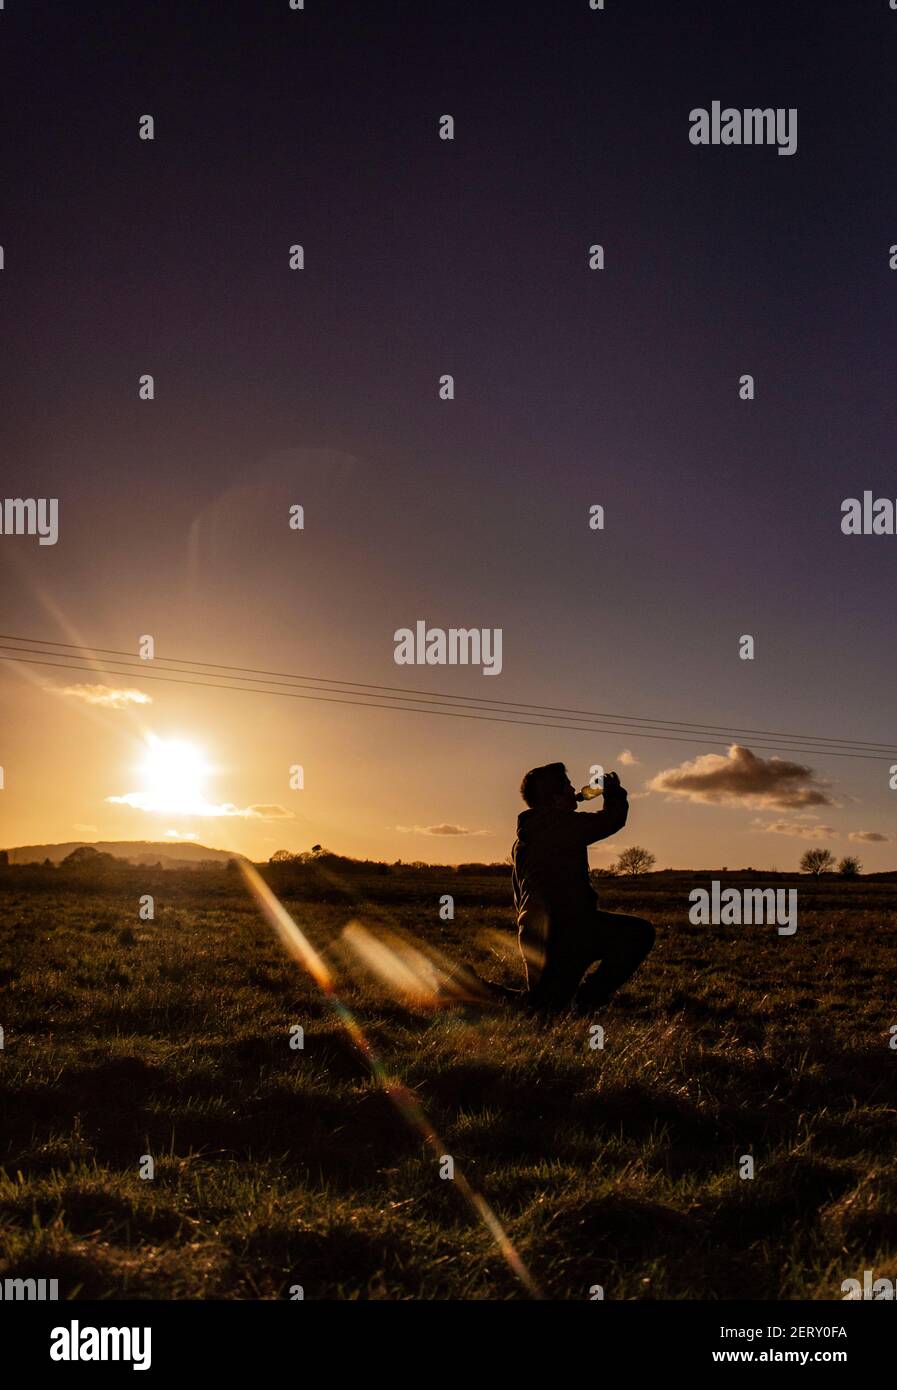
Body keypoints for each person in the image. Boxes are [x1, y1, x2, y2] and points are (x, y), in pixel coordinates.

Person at [511, 762, 654, 1014]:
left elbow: (519, 892)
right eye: (567, 785)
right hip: (566, 929)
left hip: (541, 929)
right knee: (638, 934)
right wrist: (613, 793)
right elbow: (611, 820)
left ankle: (463, 986)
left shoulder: (528, 835)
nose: (574, 789)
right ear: (555, 796)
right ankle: (588, 1000)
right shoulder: (554, 823)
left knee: (547, 1006)